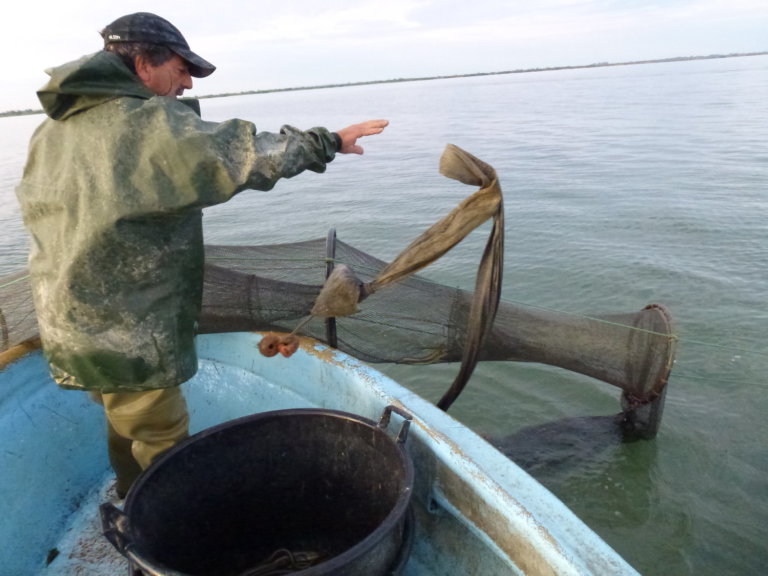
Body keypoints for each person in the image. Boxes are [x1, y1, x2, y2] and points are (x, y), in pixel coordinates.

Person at [15, 12, 388, 498]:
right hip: (127, 330)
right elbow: (250, 156)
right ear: (143, 64)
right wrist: (330, 141)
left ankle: (130, 500)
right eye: (181, 67)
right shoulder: (145, 124)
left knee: (123, 418)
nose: (187, 81)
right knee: (162, 444)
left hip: (68, 322)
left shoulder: (54, 129)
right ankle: (169, 537)